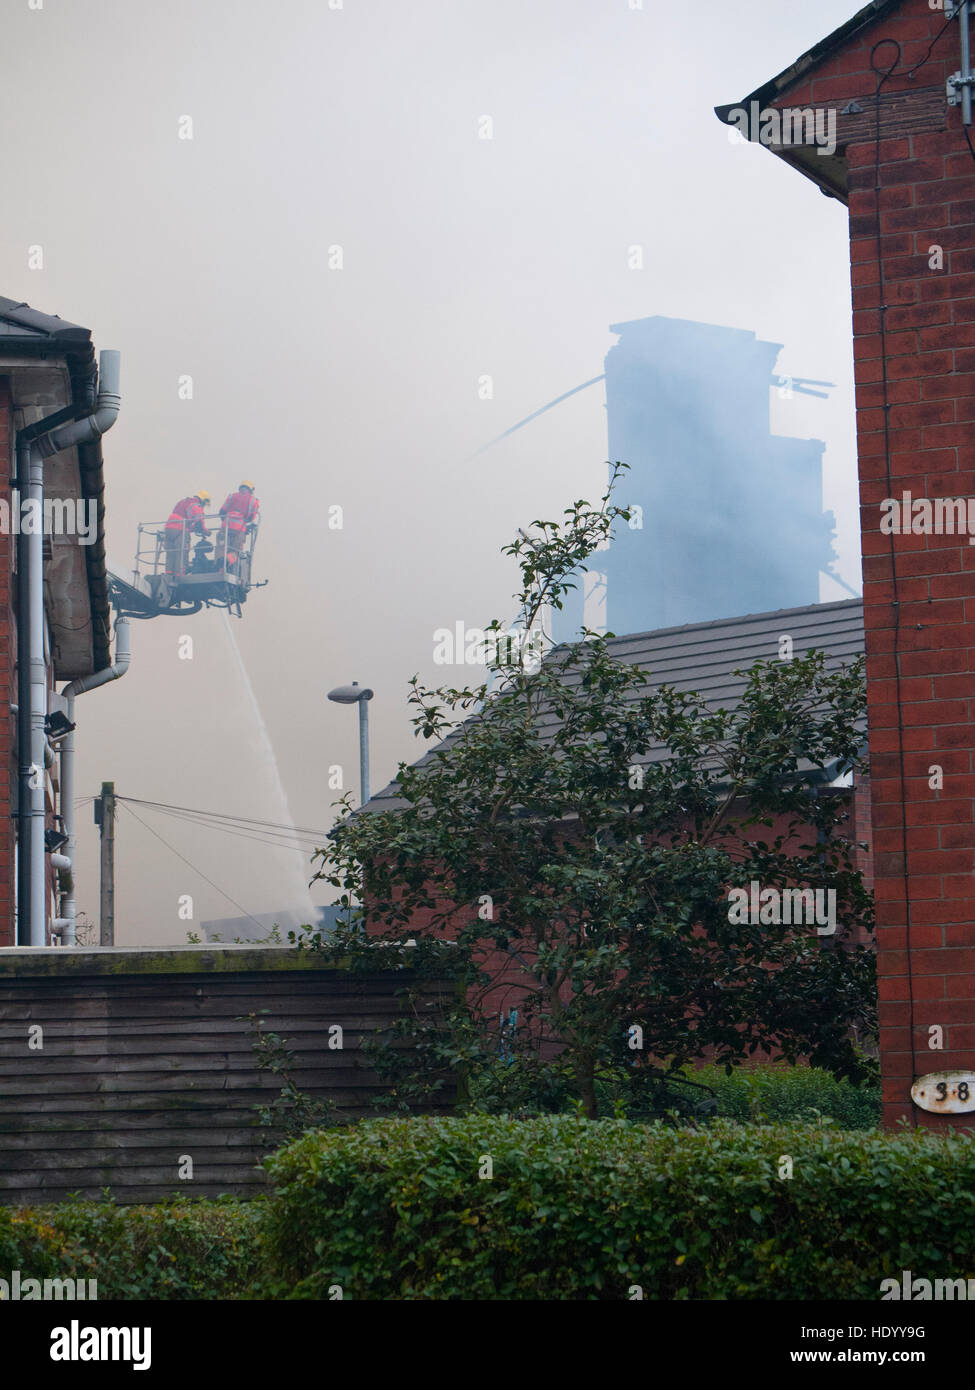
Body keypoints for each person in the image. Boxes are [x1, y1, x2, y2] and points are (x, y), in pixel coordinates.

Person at [164, 490, 210, 576]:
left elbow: (184, 519)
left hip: (169, 528)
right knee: (181, 552)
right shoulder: (195, 505)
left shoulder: (183, 502)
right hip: (180, 529)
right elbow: (199, 521)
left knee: (170, 553)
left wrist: (192, 529)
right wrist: (205, 531)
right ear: (203, 500)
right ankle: (179, 574)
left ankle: (168, 574)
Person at [217, 480, 259, 571]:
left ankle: (218, 566)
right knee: (235, 551)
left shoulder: (232, 496)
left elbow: (222, 511)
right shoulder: (253, 500)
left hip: (226, 527)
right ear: (250, 490)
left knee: (221, 547)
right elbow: (251, 517)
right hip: (239, 530)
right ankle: (227, 561)